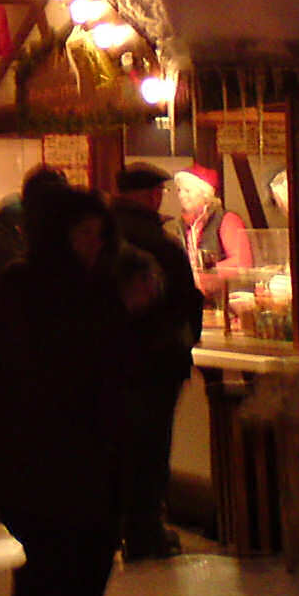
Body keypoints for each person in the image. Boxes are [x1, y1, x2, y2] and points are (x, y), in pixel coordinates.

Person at [0, 184, 137, 596]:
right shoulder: (25, 284)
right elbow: (7, 368)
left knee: (93, 555)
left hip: (96, 448)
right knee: (47, 560)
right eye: (82, 234)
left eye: (98, 234)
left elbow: (117, 360)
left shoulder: (103, 284)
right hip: (39, 447)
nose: (91, 244)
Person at [109, 162, 203, 561]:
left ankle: (114, 528)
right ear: (151, 195)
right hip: (154, 364)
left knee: (115, 448)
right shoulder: (159, 245)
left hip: (109, 364)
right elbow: (185, 300)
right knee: (149, 451)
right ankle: (145, 533)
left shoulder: (99, 238)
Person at [169, 164, 253, 293]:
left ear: (205, 194)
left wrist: (205, 276)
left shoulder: (227, 220)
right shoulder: (182, 226)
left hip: (228, 298)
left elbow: (241, 263)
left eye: (187, 191)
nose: (181, 196)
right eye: (179, 190)